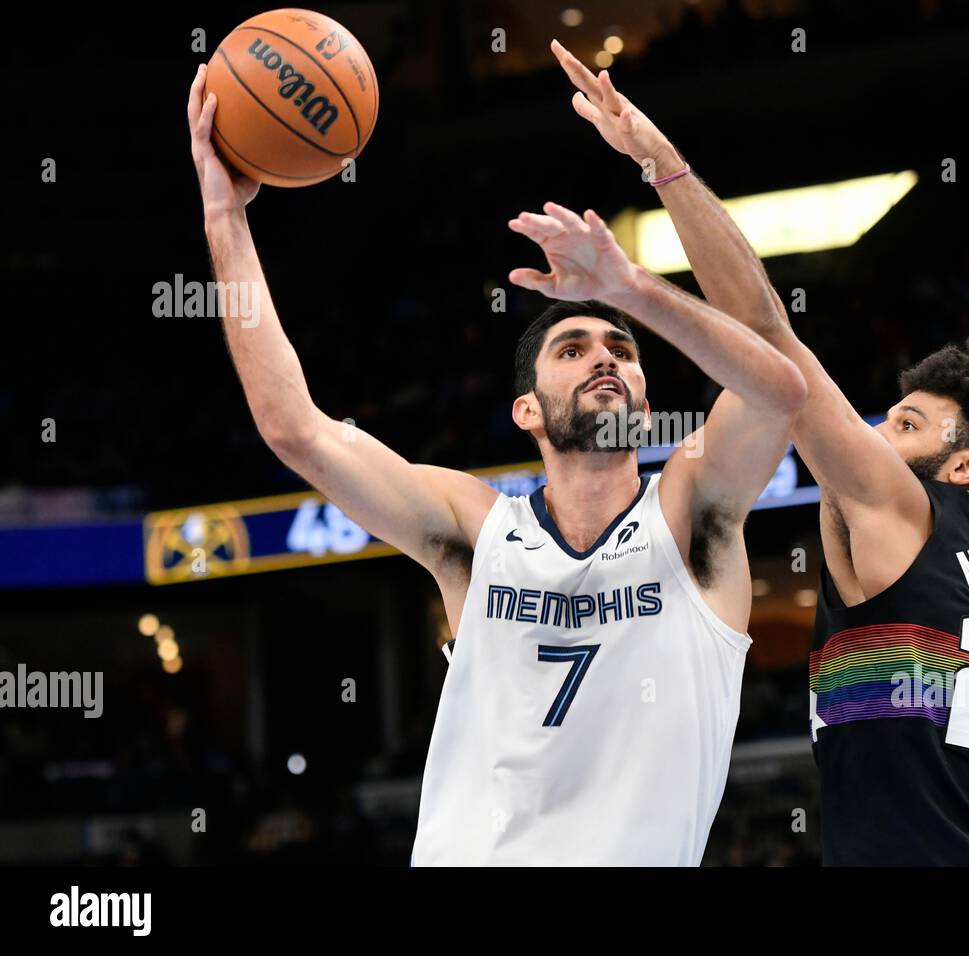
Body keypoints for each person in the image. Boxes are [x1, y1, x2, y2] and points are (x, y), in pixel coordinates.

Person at [187, 63, 808, 865]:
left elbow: (778, 388)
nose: (605, 358)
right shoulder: (477, 528)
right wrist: (223, 218)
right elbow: (294, 428)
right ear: (526, 411)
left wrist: (634, 286)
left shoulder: (693, 515)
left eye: (621, 347)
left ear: (649, 406)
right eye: (573, 347)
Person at [552, 38, 969, 865]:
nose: (868, 434)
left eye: (902, 424)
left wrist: (660, 164)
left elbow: (767, 339)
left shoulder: (905, 509)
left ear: (963, 465)